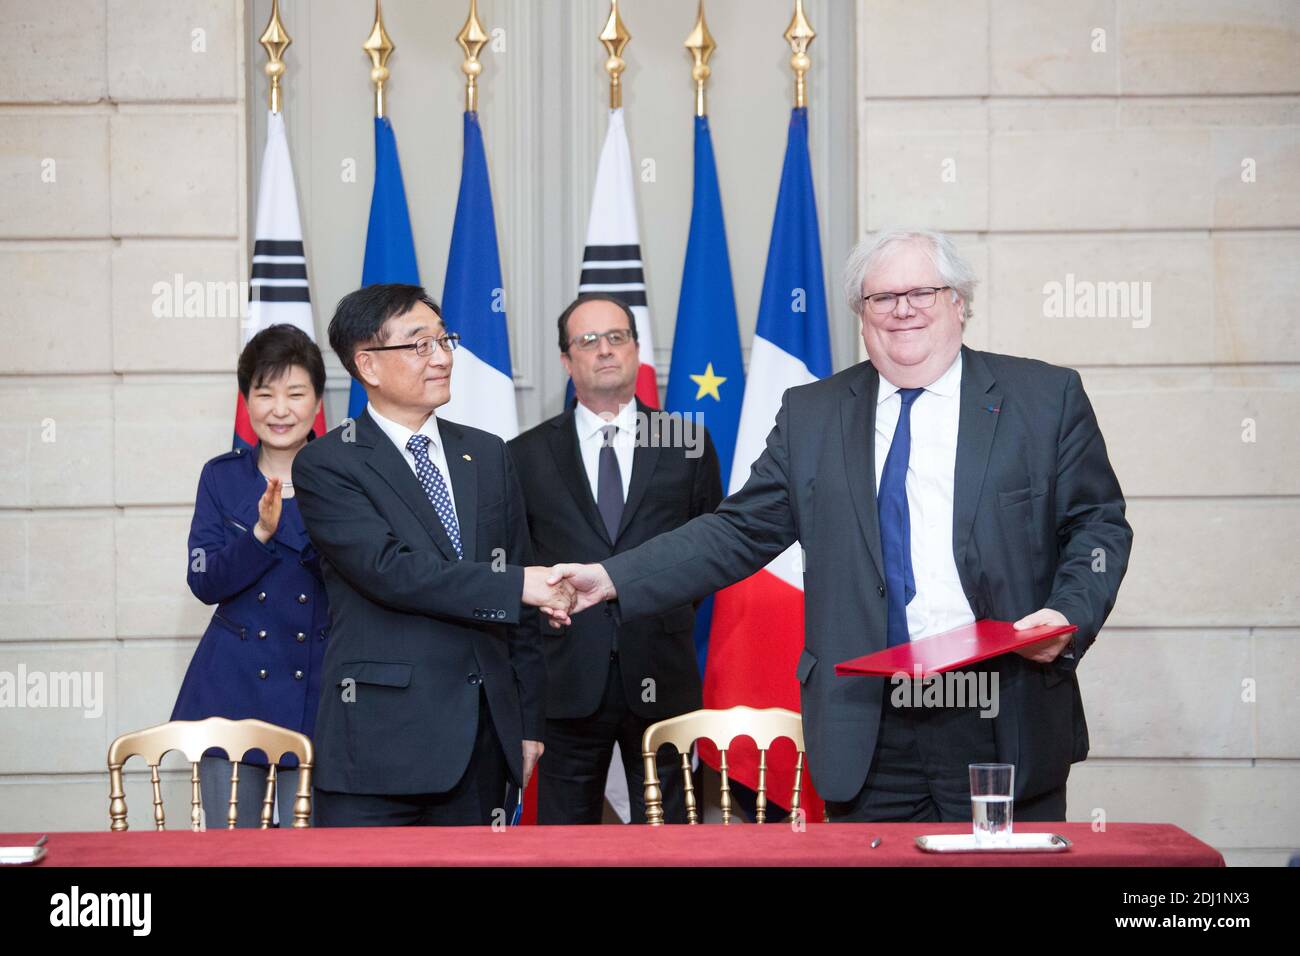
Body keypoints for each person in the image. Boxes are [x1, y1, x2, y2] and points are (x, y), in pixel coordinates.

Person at [545, 229, 1133, 823]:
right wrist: (611, 576)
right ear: (861, 315)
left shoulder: (1044, 397)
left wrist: (1066, 613)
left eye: (923, 292)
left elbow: (1097, 524)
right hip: (867, 731)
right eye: (882, 298)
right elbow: (735, 533)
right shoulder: (813, 415)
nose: (903, 309)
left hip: (1002, 715)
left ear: (959, 303)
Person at [292, 283, 574, 826]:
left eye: (444, 340)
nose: (442, 357)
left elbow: (522, 609)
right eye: (420, 345)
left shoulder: (488, 454)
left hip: (485, 744)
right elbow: (389, 570)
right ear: (368, 365)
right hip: (379, 748)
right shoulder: (329, 464)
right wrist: (516, 584)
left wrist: (529, 722)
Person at [508, 294, 723, 824]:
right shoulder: (524, 454)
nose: (604, 350)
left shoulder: (687, 442)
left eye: (616, 338)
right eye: (588, 341)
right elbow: (517, 562)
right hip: (565, 681)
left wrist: (660, 608)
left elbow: (710, 550)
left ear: (635, 350)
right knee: (564, 842)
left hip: (662, 669)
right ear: (566, 360)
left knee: (671, 837)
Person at [172, 323, 329, 827]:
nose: (280, 409)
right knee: (230, 848)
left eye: (295, 393)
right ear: (247, 401)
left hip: (320, 687)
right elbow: (205, 580)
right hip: (235, 687)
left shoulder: (341, 475)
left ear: (318, 401)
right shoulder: (222, 477)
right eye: (265, 393)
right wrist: (259, 535)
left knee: (315, 851)